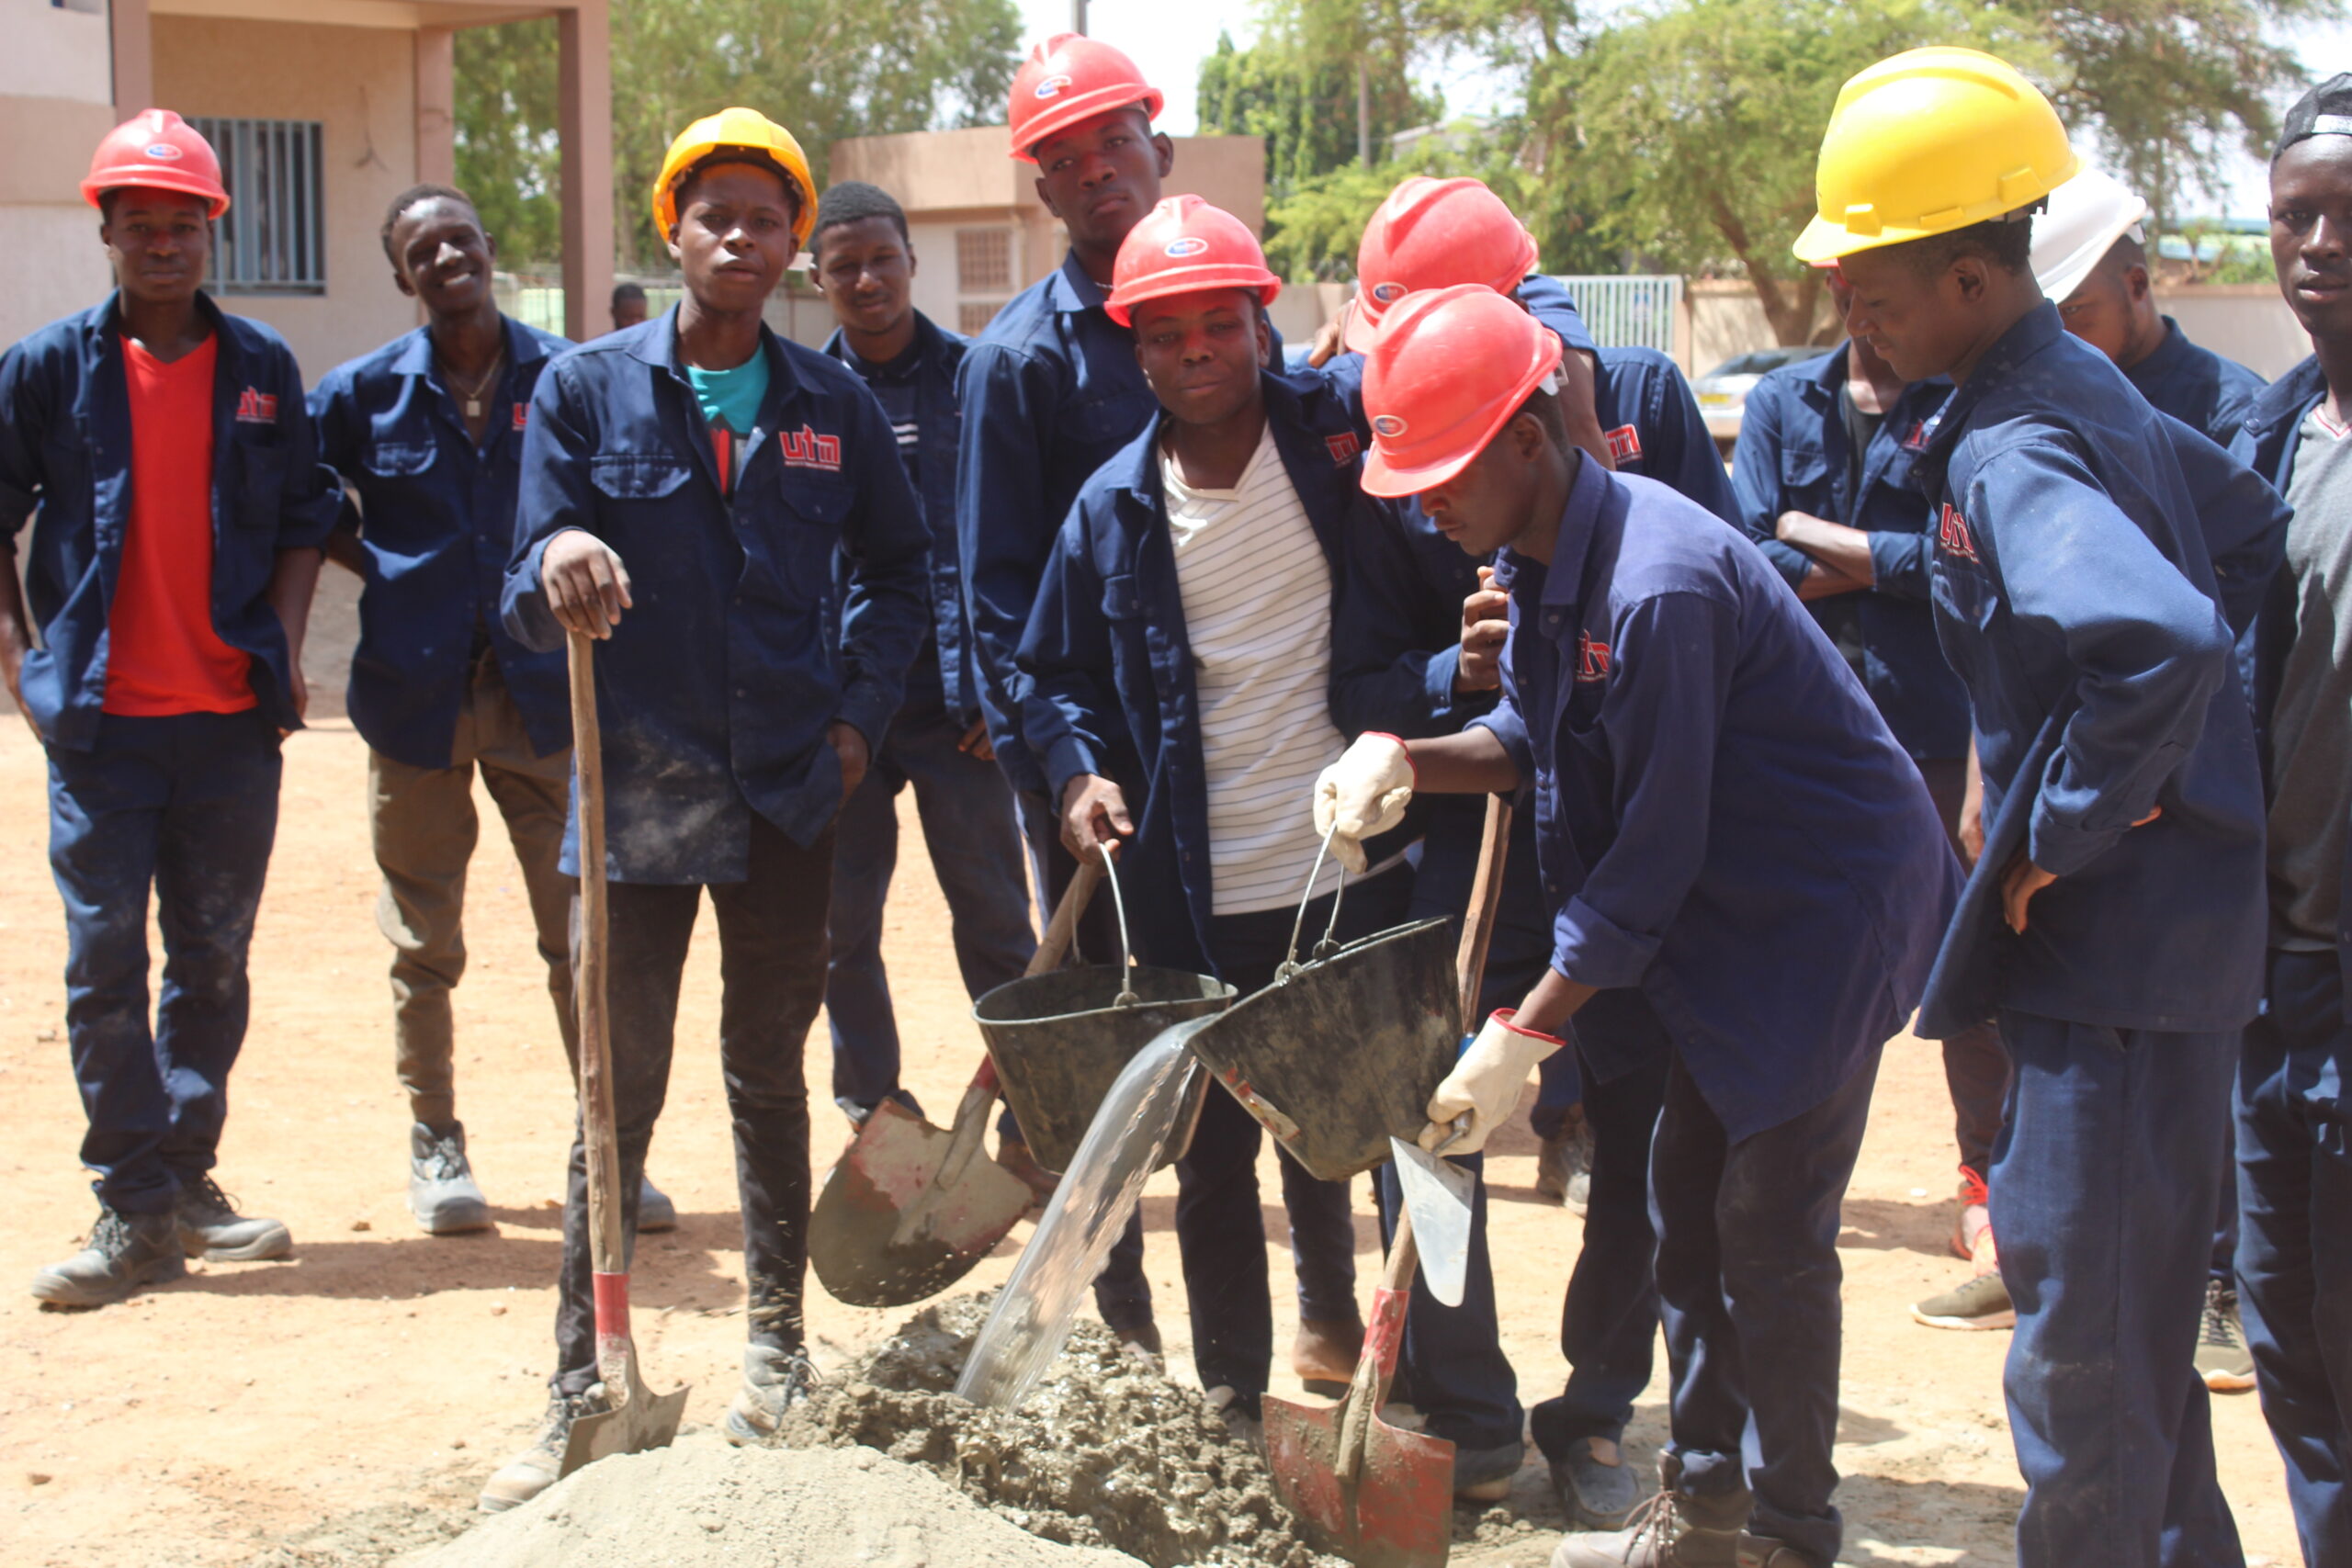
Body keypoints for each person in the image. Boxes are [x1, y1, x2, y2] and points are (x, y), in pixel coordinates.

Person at [1317, 283, 1956, 1568]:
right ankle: (1705, 1515)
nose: (1424, 503)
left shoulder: (1658, 582)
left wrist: (1519, 1035)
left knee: (1768, 1232)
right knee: (1683, 1199)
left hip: (1813, 920)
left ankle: (1788, 1529)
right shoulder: (1535, 558)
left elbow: (1644, 867)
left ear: (1525, 441)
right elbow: (1531, 740)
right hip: (1718, 911)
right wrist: (1406, 756)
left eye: (1442, 472)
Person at [1799, 48, 2270, 1566]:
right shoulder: (2063, 383)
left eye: (1873, 269)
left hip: (2114, 968)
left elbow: (2169, 639)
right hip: (2159, 956)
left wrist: (2070, 818)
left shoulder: (2016, 436)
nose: (1849, 299)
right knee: (2134, 1369)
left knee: (2083, 1378)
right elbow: (2248, 542)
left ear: (1969, 274)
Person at [483, 107, 929, 1508]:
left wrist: (858, 719)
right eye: (714, 212)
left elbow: (901, 573)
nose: (740, 236)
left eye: (765, 216)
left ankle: (776, 1349)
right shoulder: (583, 389)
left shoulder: (830, 403)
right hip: (633, 794)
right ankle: (582, 1376)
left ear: (794, 245)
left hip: (792, 789)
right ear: (672, 228)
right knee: (612, 1091)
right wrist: (558, 548)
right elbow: (520, 568)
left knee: (766, 1071)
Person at [1322, 172, 1732, 1529]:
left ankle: (1597, 1404)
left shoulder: (1645, 400)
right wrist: (1455, 668)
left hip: (1635, 841)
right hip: (1472, 837)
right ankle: (1472, 1410)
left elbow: (1726, 593)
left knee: (1640, 1131)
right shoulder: (1379, 447)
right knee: (1437, 1124)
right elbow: (1360, 672)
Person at [956, 32, 1351, 1386]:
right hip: (1119, 796)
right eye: (1059, 160)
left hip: (1289, 771)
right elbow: (1009, 614)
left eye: (1109, 142)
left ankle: (1329, 1313)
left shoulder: (1301, 407)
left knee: (1315, 1062)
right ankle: (1128, 1335)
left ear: (1156, 146)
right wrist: (1062, 769)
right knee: (1154, 1083)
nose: (1091, 172)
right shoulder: (1017, 370)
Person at [1018, 196, 1429, 1450]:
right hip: (1203, 889)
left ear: (1260, 324)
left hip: (1355, 868)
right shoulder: (1111, 510)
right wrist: (1079, 772)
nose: (1196, 349)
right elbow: (1050, 674)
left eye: (1220, 322)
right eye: (1167, 332)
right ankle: (1228, 1395)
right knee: (1210, 1164)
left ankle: (1414, 1389)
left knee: (1384, 1137)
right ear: (1133, 349)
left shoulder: (1347, 441)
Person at [3, 111, 336, 1306]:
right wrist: (17, 654)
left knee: (211, 956)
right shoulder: (49, 367)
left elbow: (307, 514)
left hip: (229, 721)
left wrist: (287, 646)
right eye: (140, 224)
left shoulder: (261, 369)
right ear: (106, 232)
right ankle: (132, 1204)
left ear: (213, 233)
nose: (163, 243)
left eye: (183, 223)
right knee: (103, 963)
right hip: (99, 723)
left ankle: (187, 1177)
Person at [311, 184, 677, 1237]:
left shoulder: (568, 376)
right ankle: (437, 1144)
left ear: (488, 251)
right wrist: (387, 567)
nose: (447, 261)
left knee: (580, 935)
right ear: (401, 275)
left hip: (543, 701)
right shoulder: (360, 393)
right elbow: (304, 498)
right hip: (412, 702)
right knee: (423, 941)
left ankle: (606, 1148)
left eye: (461, 241)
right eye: (423, 251)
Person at [1727, 272, 2008, 1333]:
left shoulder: (1962, 407)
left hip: (1935, 735)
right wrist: (1878, 559)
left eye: (1876, 283)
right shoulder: (1777, 404)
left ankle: (1985, 1191)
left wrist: (1825, 541)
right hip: (1801, 746)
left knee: (1968, 976)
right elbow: (1746, 555)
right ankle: (1786, 1171)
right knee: (1797, 965)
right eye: (1847, 289)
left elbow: (1963, 570)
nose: (1865, 309)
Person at [2031, 165, 2273, 1388]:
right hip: (2100, 777)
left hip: (2201, 779)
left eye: (2071, 308)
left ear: (2135, 283)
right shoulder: (2050, 403)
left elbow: (2218, 612)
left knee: (2203, 1059)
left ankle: (2217, 1281)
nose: (2056, 335)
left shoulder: (2225, 409)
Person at [806, 179, 1035, 1126]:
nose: (867, 279)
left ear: (910, 261)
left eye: (881, 258)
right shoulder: (801, 393)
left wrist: (998, 684)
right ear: (817, 280)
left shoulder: (976, 377)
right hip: (844, 707)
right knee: (837, 928)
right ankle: (874, 1109)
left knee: (994, 920)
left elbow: (1014, 536)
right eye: (843, 265)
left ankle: (1031, 1111)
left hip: (961, 709)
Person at [2227, 73, 2352, 1565]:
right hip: (2270, 984)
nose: (2316, 244)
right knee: (2295, 1362)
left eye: (2347, 218)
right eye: (2296, 215)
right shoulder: (2270, 445)